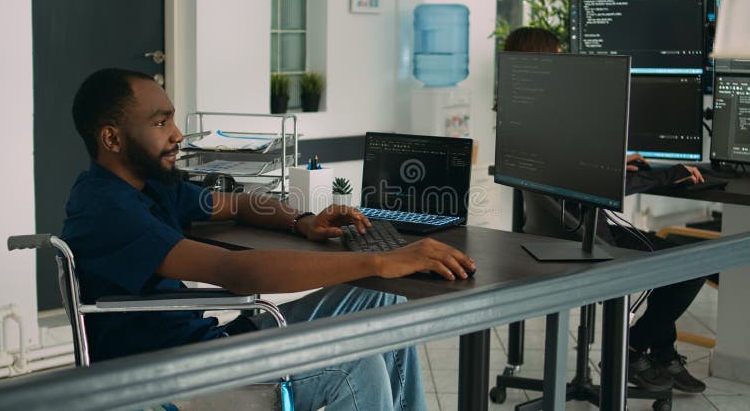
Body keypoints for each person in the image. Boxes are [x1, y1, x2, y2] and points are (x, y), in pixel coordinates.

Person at [60, 68, 476, 411]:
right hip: (165, 375)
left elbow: (238, 204)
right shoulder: (105, 209)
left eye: (172, 119)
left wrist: (304, 221)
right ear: (111, 138)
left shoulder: (150, 185)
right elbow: (234, 272)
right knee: (357, 362)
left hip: (204, 345)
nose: (177, 135)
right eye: (159, 122)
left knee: (381, 301)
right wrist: (379, 262)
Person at [502, 27, 707, 394]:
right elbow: (600, 185)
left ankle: (660, 354)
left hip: (546, 234)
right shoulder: (557, 122)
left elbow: (575, 171)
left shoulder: (521, 119)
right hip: (585, 238)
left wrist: (611, 161)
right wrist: (669, 176)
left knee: (670, 253)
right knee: (692, 264)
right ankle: (630, 347)